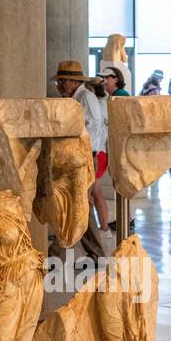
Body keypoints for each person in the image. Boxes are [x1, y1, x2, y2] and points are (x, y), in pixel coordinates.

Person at [52, 60, 110, 234]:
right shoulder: (72, 99)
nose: (60, 85)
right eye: (59, 81)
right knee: (79, 205)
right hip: (77, 157)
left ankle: (87, 249)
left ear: (76, 82)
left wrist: (78, 149)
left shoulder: (86, 97)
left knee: (81, 205)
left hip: (85, 157)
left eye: (64, 81)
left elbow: (93, 126)